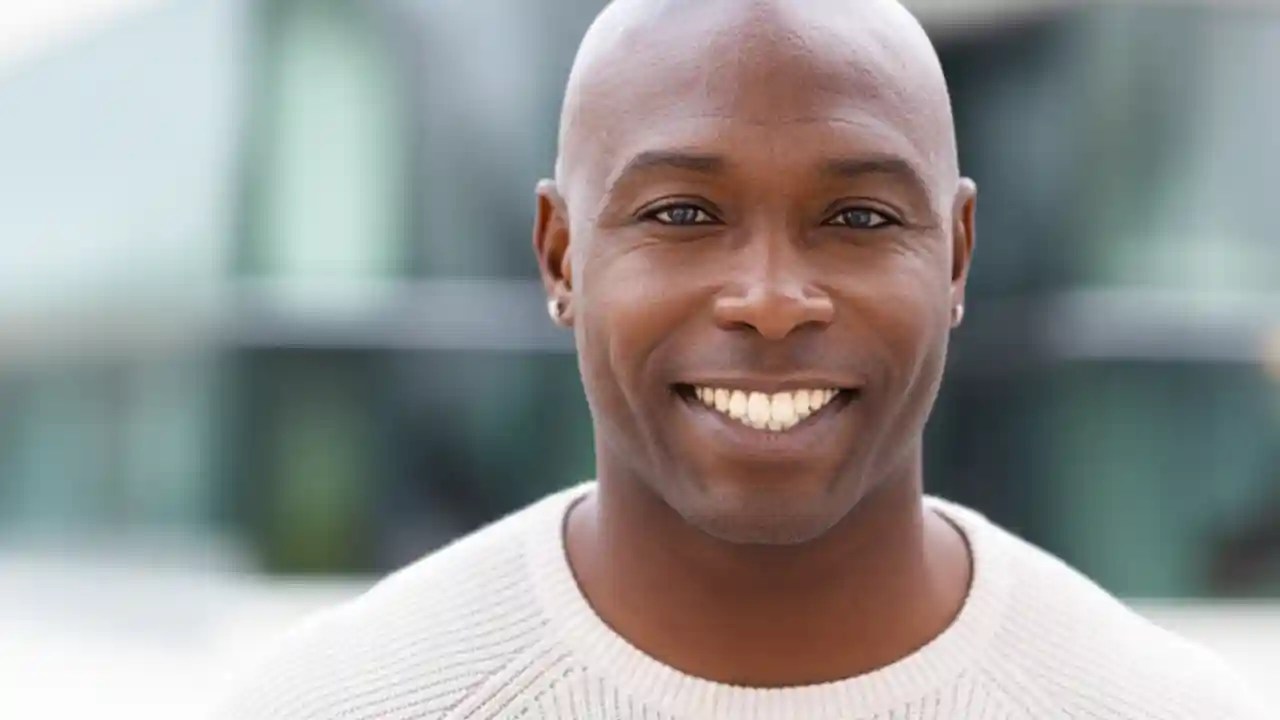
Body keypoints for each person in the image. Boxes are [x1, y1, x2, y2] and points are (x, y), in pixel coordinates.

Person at [214, 1, 1268, 717]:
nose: (769, 301)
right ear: (560, 253)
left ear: (953, 257)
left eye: (855, 216)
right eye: (682, 212)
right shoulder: (334, 703)